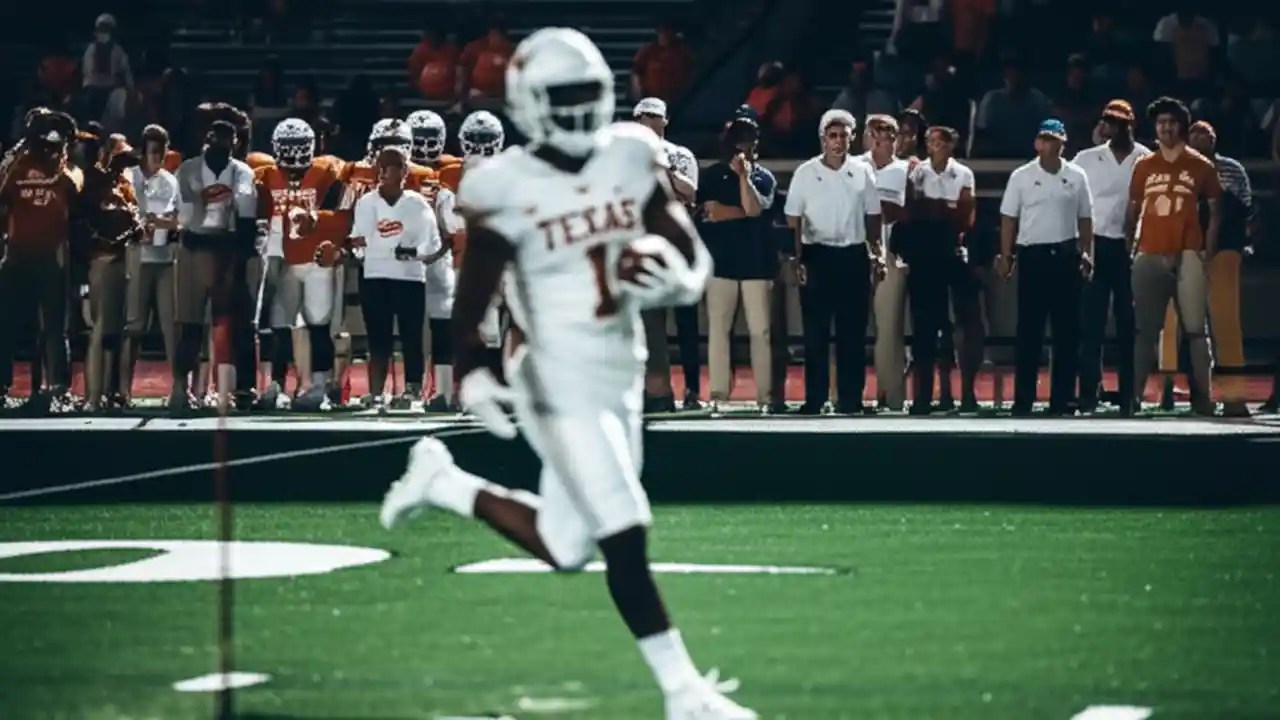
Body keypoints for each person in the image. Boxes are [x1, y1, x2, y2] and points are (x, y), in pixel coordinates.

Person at [379, 28, 755, 720]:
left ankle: (444, 482)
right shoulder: (506, 184)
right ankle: (684, 694)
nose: (581, 110)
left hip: (618, 369)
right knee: (624, 526)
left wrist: (669, 277)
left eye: (589, 95)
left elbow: (692, 261)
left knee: (566, 542)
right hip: (553, 377)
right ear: (530, 102)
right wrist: (474, 368)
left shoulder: (628, 156)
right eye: (566, 97)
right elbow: (475, 288)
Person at [784, 109, 884, 415]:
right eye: (832, 135)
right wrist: (798, 258)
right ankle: (815, 399)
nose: (838, 141)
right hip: (817, 257)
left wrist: (875, 252)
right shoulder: (805, 172)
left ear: (852, 138)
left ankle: (850, 399)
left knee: (852, 332)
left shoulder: (862, 172)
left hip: (853, 256)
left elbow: (873, 215)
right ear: (822, 139)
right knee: (815, 332)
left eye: (843, 135)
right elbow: (793, 219)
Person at [1127, 98, 1221, 415]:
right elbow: (1133, 210)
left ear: (1182, 125)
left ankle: (1204, 397)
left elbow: (1215, 211)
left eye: (1171, 122)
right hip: (1149, 252)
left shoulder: (1201, 165)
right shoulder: (1144, 165)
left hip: (1188, 253)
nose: (1166, 127)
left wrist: (1207, 249)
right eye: (1160, 122)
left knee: (1196, 329)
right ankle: (1134, 398)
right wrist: (1132, 245)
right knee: (1145, 331)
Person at [996, 118, 1094, 416]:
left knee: (1067, 332)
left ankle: (1062, 400)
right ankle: (1024, 399)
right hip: (1033, 256)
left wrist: (1087, 253)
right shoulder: (1022, 176)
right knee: (1029, 330)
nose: (1049, 144)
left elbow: (1086, 218)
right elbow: (1009, 218)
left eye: (1055, 139)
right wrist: (1006, 255)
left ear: (1063, 142)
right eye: (1044, 139)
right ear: (1037, 143)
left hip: (1066, 256)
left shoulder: (1076, 176)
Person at [338, 146, 442, 407]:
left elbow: (433, 244)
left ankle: (413, 389)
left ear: (404, 171)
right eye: (380, 167)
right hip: (374, 275)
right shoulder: (366, 202)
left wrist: (412, 251)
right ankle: (376, 392)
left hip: (409, 277)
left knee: (410, 335)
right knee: (377, 336)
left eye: (390, 166)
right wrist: (356, 249)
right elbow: (359, 240)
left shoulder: (417, 204)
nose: (382, 172)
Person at [255, 118, 346, 411]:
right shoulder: (265, 174)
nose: (294, 155)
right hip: (281, 257)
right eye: (288, 148)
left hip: (315, 258)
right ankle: (275, 385)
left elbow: (339, 213)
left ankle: (318, 387)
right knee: (279, 325)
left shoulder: (326, 171)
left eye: (299, 148)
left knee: (319, 324)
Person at [173, 120, 258, 413]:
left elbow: (246, 218)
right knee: (190, 324)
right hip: (195, 246)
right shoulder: (188, 170)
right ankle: (181, 389)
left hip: (227, 249)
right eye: (216, 138)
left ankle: (232, 391)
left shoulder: (242, 172)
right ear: (207, 139)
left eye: (227, 139)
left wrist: (236, 256)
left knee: (231, 324)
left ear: (235, 142)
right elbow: (183, 214)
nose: (221, 144)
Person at [0, 109, 82, 410]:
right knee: (4, 324)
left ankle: (57, 390)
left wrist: (59, 155)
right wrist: (21, 152)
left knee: (54, 329)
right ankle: (1, 388)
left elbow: (75, 188)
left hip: (52, 258)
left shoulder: (69, 169)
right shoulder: (17, 166)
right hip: (17, 255)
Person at [1072, 100, 1150, 414]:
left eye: (1118, 122)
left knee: (1128, 323)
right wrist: (1081, 249)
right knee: (1091, 324)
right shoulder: (1086, 159)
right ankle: (1089, 393)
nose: (1112, 127)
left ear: (1130, 124)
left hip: (1131, 247)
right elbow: (1075, 202)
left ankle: (1129, 395)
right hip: (1096, 246)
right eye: (1107, 121)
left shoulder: (1145, 158)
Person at [698, 110, 776, 414]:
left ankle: (765, 396)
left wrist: (744, 178)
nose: (743, 147)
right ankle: (718, 393)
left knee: (761, 331)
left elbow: (755, 209)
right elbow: (709, 212)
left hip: (756, 264)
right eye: (739, 140)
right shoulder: (714, 174)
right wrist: (734, 211)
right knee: (719, 329)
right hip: (721, 263)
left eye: (749, 141)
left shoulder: (763, 177)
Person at [903, 125, 979, 414]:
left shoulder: (963, 173)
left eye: (940, 142)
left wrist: (937, 210)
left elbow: (965, 215)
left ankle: (960, 394)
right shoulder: (916, 172)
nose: (934, 146)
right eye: (930, 142)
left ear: (951, 145)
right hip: (924, 257)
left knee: (959, 325)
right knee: (925, 327)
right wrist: (941, 210)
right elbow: (912, 212)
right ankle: (923, 396)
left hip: (952, 253)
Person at [633, 97, 702, 412]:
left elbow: (690, 192)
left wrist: (664, 166)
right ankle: (653, 391)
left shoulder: (679, 154)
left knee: (686, 324)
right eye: (641, 116)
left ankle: (691, 390)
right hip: (645, 246)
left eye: (652, 116)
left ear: (664, 120)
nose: (646, 121)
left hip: (678, 246)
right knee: (649, 324)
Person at [1188, 121, 1252, 418]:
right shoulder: (1181, 167)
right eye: (1195, 132)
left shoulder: (1232, 169)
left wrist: (1243, 245)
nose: (1202, 135)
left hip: (1225, 250)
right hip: (1187, 249)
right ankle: (1196, 396)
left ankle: (1234, 398)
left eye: (1208, 132)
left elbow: (1246, 211)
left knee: (1226, 324)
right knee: (1186, 327)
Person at [122, 125, 180, 405]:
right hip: (137, 259)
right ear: (142, 152)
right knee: (133, 327)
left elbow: (180, 219)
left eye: (162, 152)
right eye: (153, 152)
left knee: (172, 326)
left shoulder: (170, 181)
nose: (157, 158)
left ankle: (179, 388)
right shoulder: (128, 177)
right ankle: (122, 390)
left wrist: (167, 224)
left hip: (165, 259)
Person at [859, 114, 910, 412]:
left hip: (891, 255)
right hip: (853, 252)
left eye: (888, 132)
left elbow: (905, 211)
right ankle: (846, 396)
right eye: (875, 132)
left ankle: (891, 397)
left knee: (890, 329)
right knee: (851, 327)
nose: (881, 137)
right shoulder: (853, 166)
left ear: (897, 138)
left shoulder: (908, 170)